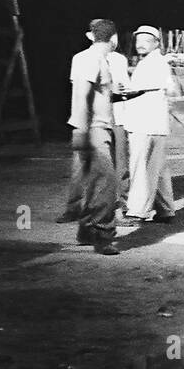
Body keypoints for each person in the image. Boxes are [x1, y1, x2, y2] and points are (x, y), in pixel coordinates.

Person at [66, 18, 121, 255]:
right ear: (114, 39)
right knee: (108, 183)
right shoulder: (91, 59)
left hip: (92, 127)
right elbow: (83, 94)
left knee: (92, 182)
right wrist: (82, 130)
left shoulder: (87, 58)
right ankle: (103, 234)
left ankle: (86, 229)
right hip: (93, 129)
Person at [121, 25, 178, 223]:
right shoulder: (154, 63)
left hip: (144, 123)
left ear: (156, 43)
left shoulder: (154, 64)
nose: (140, 45)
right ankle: (166, 209)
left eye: (146, 40)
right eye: (138, 41)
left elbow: (136, 91)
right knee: (158, 168)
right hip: (155, 123)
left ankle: (138, 210)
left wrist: (124, 89)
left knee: (141, 167)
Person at [106, 41, 132, 213]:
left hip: (120, 115)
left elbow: (126, 87)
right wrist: (109, 88)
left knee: (121, 159)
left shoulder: (119, 60)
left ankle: (124, 199)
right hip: (99, 117)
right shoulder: (85, 59)